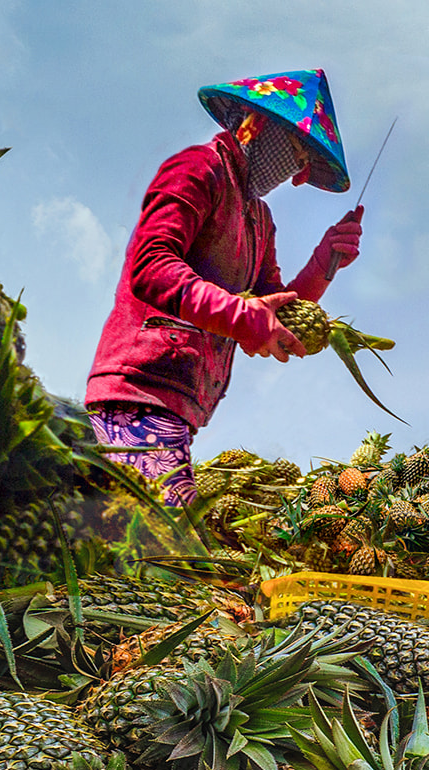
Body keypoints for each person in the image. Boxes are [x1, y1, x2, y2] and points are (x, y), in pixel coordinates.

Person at [87, 69, 362, 505]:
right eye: (295, 152)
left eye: (304, 165)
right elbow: (151, 266)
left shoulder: (260, 220)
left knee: (164, 550)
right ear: (256, 125)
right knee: (169, 553)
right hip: (139, 391)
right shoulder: (198, 169)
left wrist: (324, 262)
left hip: (182, 406)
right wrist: (239, 315)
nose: (295, 176)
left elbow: (276, 312)